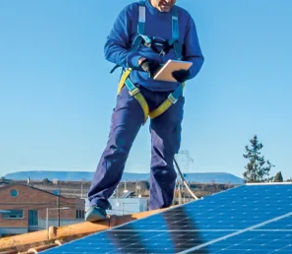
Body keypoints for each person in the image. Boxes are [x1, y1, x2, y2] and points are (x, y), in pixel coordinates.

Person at [85, 0, 205, 223]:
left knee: (164, 156)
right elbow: (110, 48)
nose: (167, 1)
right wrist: (138, 61)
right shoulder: (133, 13)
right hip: (136, 90)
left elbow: (196, 58)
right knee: (118, 143)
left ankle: (158, 212)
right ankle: (97, 202)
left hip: (170, 96)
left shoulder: (184, 19)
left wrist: (187, 73)